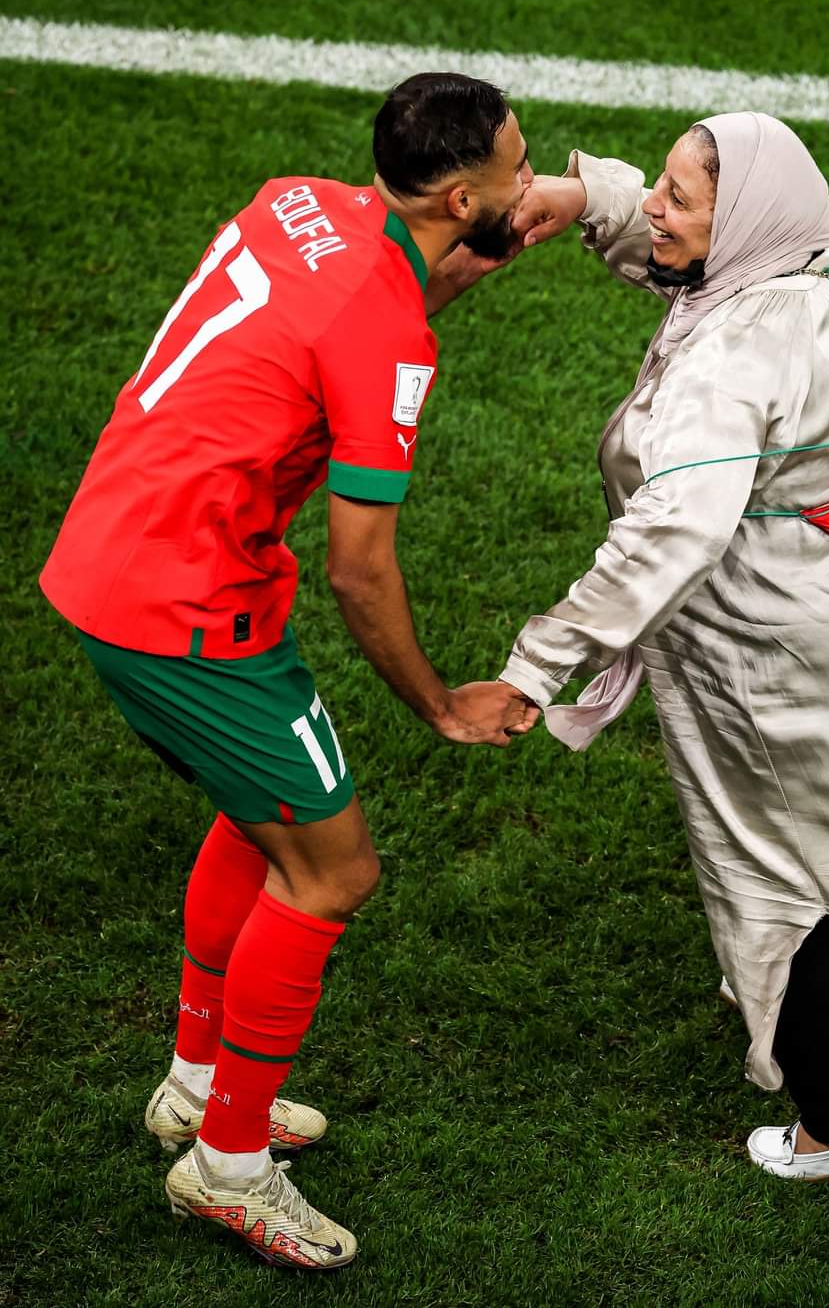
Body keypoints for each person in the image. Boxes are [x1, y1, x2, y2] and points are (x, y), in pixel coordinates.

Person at [39, 72, 539, 1269]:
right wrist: (440, 703)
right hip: (188, 611)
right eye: (519, 169)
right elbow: (362, 572)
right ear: (460, 192)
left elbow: (384, 294)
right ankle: (227, 1165)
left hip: (118, 551)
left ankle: (194, 1085)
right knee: (332, 871)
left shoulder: (300, 202)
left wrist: (537, 216)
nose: (530, 178)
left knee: (259, 819)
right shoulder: (387, 334)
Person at [501, 112, 829, 1185]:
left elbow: (672, 532)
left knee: (781, 877)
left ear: (745, 216)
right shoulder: (822, 259)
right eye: (658, 189)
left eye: (678, 195)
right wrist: (595, 199)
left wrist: (538, 664)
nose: (658, 212)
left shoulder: (729, 361)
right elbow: (691, 257)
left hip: (777, 658)